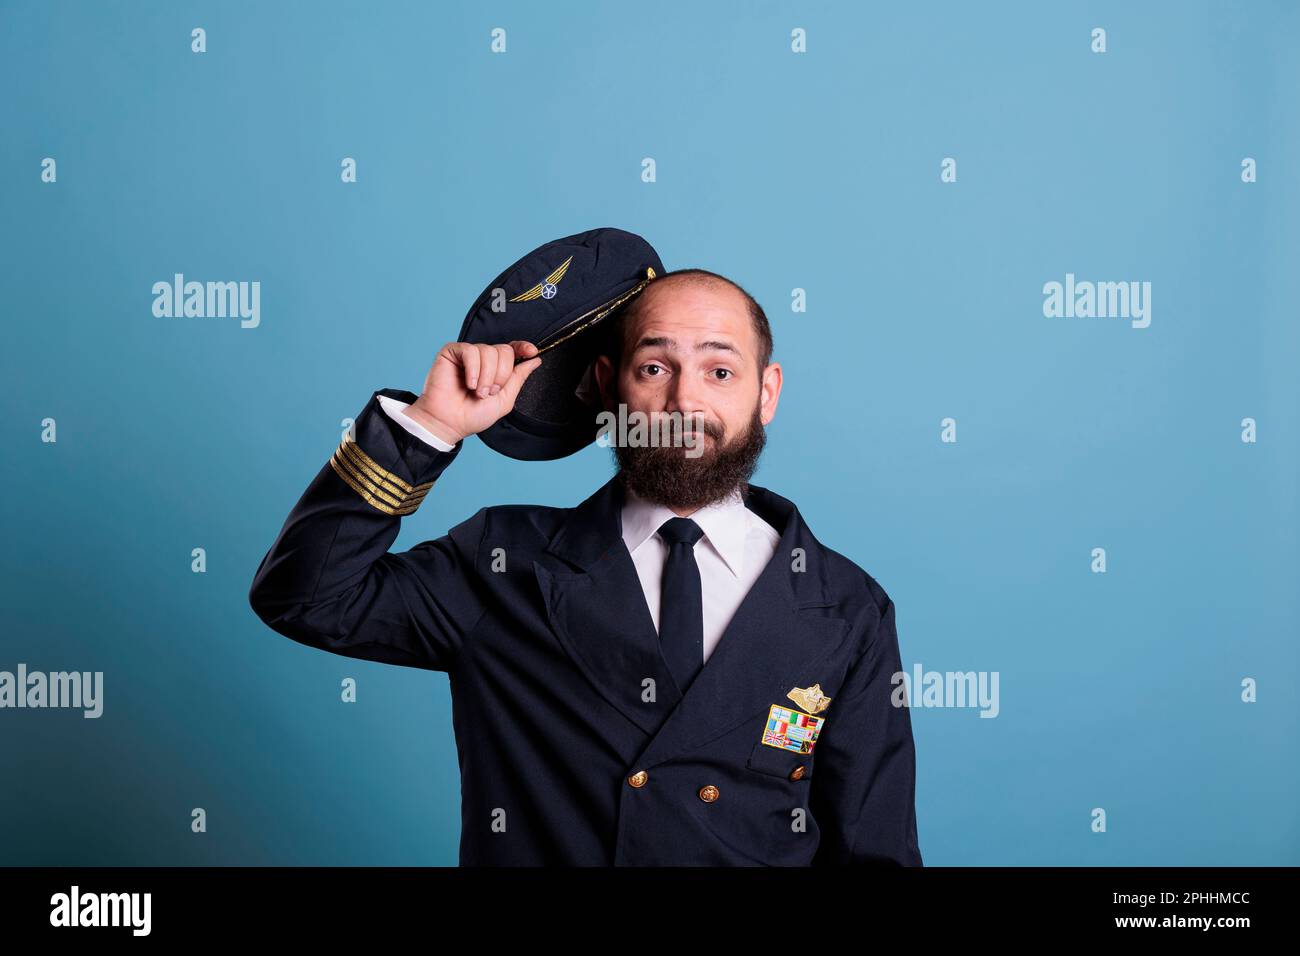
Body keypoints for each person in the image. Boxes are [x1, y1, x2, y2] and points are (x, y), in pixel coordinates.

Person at [248, 267, 923, 866]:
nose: (684, 402)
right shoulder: (500, 561)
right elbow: (305, 598)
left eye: (721, 372)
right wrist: (432, 425)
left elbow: (876, 852)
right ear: (607, 386)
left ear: (766, 393)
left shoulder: (846, 608)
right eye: (654, 369)